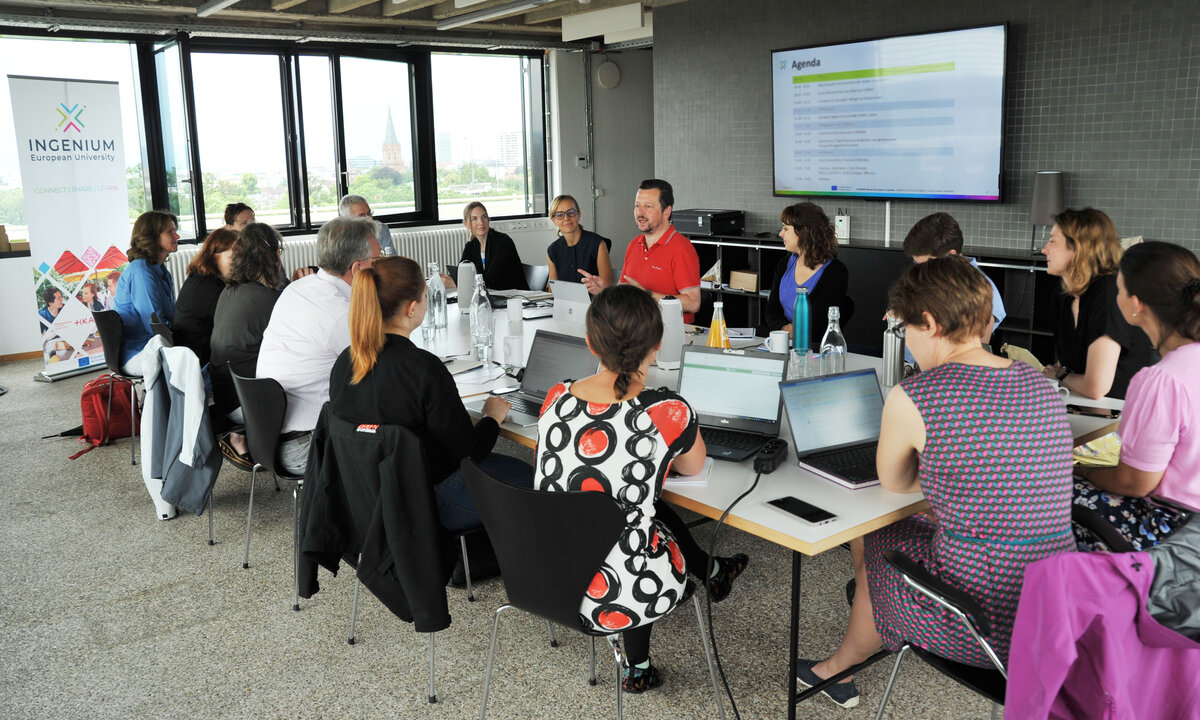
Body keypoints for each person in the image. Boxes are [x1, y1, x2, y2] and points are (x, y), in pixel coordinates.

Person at [796, 256, 1074, 709]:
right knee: (920, 531)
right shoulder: (1037, 382)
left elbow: (894, 481)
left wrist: (939, 480)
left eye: (905, 328)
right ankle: (871, 613)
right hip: (1057, 604)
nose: (905, 340)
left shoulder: (920, 394)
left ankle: (840, 668)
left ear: (928, 323)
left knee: (879, 534)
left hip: (983, 620)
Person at [534, 284, 749, 693]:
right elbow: (693, 465)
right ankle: (644, 660)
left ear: (589, 343)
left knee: (631, 506)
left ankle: (710, 574)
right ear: (658, 343)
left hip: (549, 574)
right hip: (623, 587)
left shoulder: (556, 396)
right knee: (641, 516)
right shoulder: (666, 410)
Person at [329, 255, 533, 532]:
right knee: (534, 479)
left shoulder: (346, 361)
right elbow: (469, 453)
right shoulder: (423, 368)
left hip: (365, 494)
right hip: (424, 499)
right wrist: (491, 417)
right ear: (413, 308)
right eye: (426, 296)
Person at [1072, 241, 1200, 550]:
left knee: (1040, 495)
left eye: (1118, 290)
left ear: (1136, 304)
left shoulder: (1162, 380)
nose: (1116, 298)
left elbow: (1135, 482)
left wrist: (1085, 470)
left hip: (1172, 526)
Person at [256, 216, 380, 475]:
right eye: (378, 261)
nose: (382, 268)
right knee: (404, 429)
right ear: (357, 268)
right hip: (307, 444)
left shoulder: (299, 288)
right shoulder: (339, 313)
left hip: (269, 434)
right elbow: (384, 373)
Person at [1040, 207, 1156, 400]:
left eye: (1052, 241)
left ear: (1080, 247)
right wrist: (1062, 375)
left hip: (1121, 415)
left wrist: (1061, 376)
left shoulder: (1109, 292)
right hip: (1083, 405)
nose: (1045, 249)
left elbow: (1096, 387)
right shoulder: (1064, 292)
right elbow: (1065, 365)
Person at [211, 223, 285, 467]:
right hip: (247, 404)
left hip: (227, 396)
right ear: (273, 256)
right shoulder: (268, 299)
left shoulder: (229, 291)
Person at [580, 179, 701, 324]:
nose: (640, 213)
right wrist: (605, 291)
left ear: (667, 211)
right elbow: (625, 292)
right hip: (635, 331)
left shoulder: (682, 248)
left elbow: (693, 303)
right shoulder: (634, 245)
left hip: (670, 335)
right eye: (637, 206)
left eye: (648, 206)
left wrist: (646, 295)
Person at [902, 212, 1005, 343]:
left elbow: (972, 358)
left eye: (927, 265)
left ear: (951, 255)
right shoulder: (935, 276)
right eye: (917, 264)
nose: (921, 273)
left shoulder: (981, 293)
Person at [763, 202, 850, 348]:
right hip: (783, 341)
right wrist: (784, 328)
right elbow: (772, 310)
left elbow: (819, 321)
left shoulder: (835, 272)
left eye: (785, 229)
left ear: (803, 231)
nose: (780, 234)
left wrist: (794, 331)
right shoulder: (784, 264)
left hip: (814, 347)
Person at [113, 210, 179, 375]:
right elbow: (155, 326)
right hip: (140, 351)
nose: (177, 236)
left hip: (152, 345)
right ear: (152, 236)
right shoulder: (141, 272)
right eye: (170, 232)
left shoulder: (159, 269)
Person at [173, 228, 238, 368]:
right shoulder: (211, 288)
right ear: (214, 256)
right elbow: (235, 325)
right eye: (233, 257)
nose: (239, 264)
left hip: (192, 355)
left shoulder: (200, 278)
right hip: (202, 364)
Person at [545, 194, 612, 289]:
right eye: (560, 215)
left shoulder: (598, 244)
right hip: (565, 302)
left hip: (594, 302)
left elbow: (608, 286)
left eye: (571, 212)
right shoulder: (552, 250)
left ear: (579, 215)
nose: (566, 218)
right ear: (553, 220)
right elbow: (553, 290)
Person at [457, 201, 527, 291]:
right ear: (466, 224)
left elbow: (491, 279)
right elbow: (462, 272)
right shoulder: (470, 246)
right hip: (492, 296)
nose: (481, 222)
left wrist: (456, 282)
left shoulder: (503, 242)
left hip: (514, 297)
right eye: (474, 219)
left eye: (484, 217)